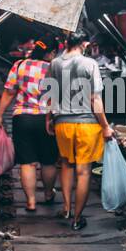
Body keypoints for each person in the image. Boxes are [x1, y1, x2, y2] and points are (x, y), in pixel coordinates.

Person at [47, 32, 114, 231]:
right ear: (84, 43)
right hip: (87, 125)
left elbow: (51, 94)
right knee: (83, 172)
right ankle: (77, 218)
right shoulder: (89, 64)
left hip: (63, 123)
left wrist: (49, 118)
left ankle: (66, 208)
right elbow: (95, 99)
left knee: (66, 165)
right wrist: (105, 126)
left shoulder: (55, 63)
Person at [0, 36, 59, 211]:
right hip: (46, 119)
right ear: (50, 53)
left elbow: (8, 93)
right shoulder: (54, 69)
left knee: (27, 162)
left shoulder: (20, 65)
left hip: (22, 119)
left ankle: (30, 201)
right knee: (48, 161)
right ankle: (49, 193)